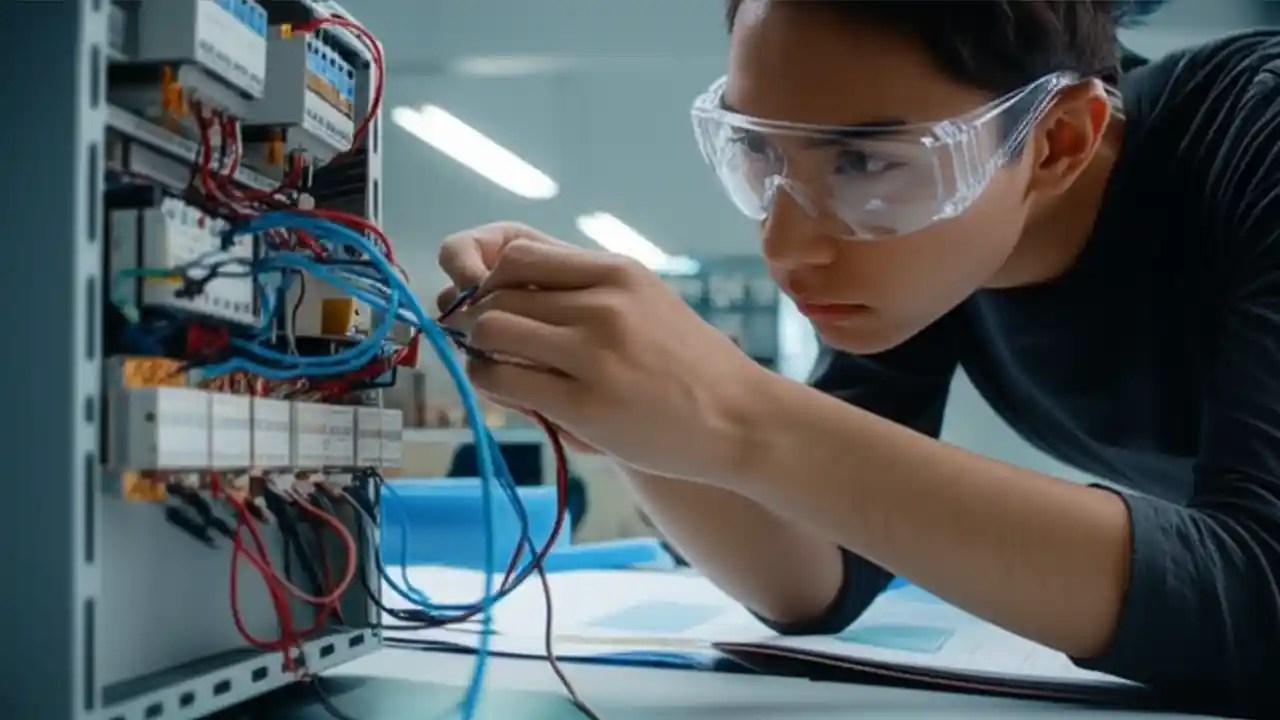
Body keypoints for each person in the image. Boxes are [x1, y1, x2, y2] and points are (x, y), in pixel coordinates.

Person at [434, 1, 1280, 714]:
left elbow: (1258, 597)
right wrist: (638, 423)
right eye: (759, 151)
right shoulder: (945, 224)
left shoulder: (1257, 135)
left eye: (864, 160)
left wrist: (738, 412)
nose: (786, 244)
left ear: (1057, 143)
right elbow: (818, 580)